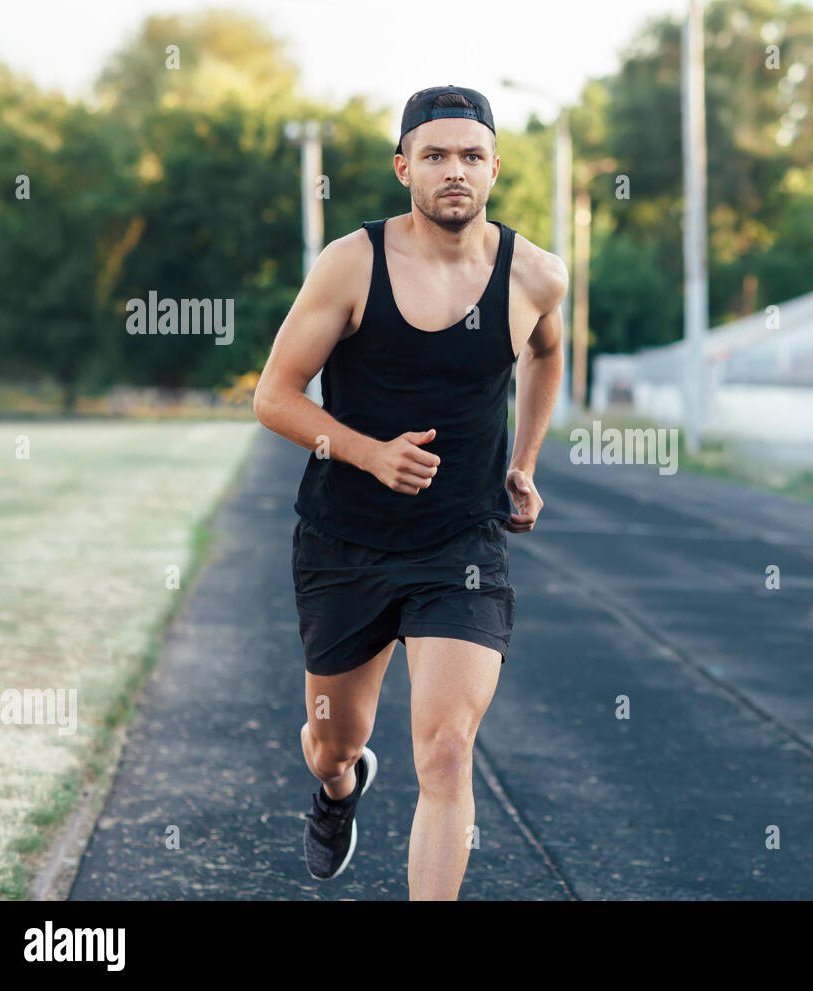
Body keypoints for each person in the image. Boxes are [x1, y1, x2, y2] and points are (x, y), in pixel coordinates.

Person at [253, 85, 568, 898]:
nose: (454, 171)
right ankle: (337, 791)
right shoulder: (352, 263)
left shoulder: (536, 275)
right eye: (435, 155)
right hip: (344, 540)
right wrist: (368, 454)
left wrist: (522, 461)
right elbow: (275, 396)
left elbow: (547, 354)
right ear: (404, 168)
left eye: (470, 156)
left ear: (495, 167)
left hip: (460, 545)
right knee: (334, 743)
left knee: (448, 749)